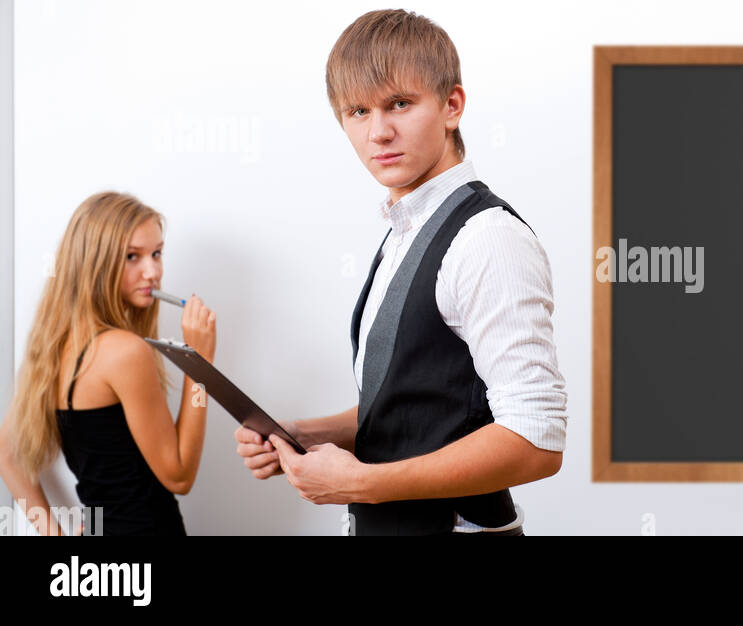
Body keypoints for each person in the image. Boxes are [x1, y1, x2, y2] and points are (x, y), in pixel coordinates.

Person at [234, 9, 566, 535]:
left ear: (452, 105)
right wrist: (302, 432)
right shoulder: (406, 226)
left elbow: (536, 440)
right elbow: (418, 405)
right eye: (358, 111)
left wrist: (360, 483)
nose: (378, 132)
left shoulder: (487, 239)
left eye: (400, 104)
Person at [0, 192, 217, 535]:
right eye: (132, 256)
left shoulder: (54, 347)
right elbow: (179, 475)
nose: (153, 271)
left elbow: (7, 453)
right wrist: (200, 366)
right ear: (94, 262)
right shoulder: (125, 352)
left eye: (156, 253)